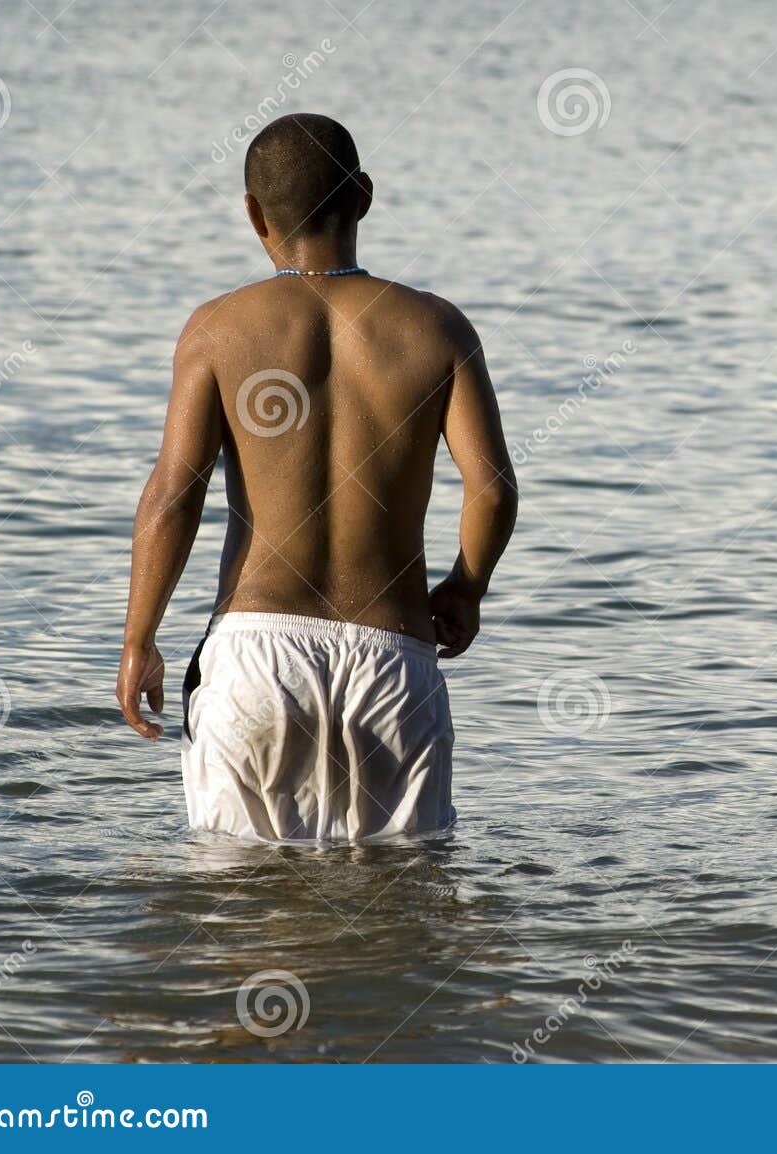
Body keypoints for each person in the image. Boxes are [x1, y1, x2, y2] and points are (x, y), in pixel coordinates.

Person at [115, 113, 517, 842]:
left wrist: (140, 636)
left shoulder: (217, 328)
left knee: (238, 914)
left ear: (253, 214)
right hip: (391, 653)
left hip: (255, 658)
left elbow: (175, 494)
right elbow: (491, 489)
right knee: (401, 917)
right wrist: (466, 587)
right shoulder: (437, 328)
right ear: (363, 196)